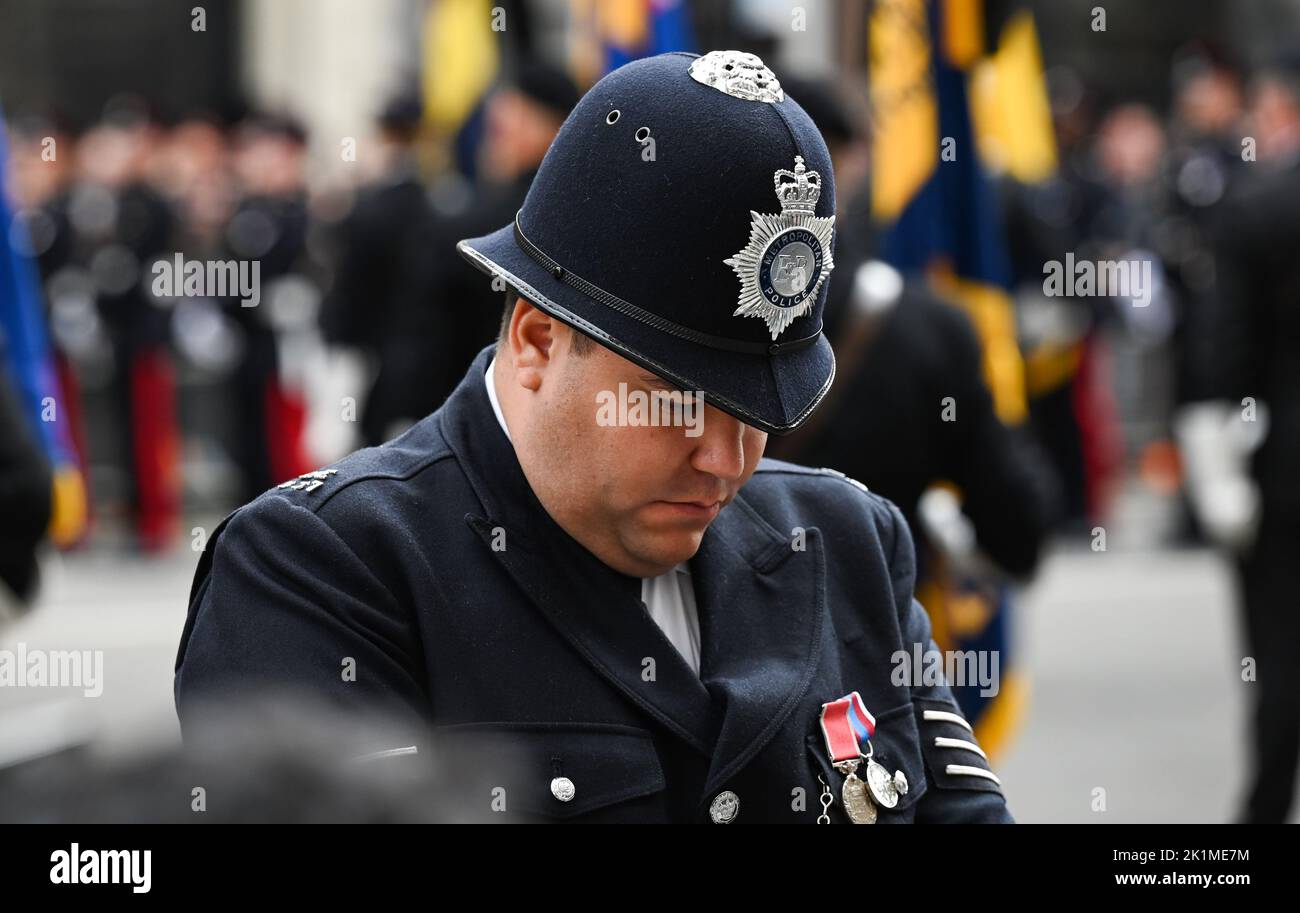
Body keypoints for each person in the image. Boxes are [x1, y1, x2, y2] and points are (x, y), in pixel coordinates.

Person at [175, 51, 1011, 824]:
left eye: (761, 409)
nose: (727, 461)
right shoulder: (323, 572)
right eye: (678, 399)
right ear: (538, 342)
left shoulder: (848, 541)